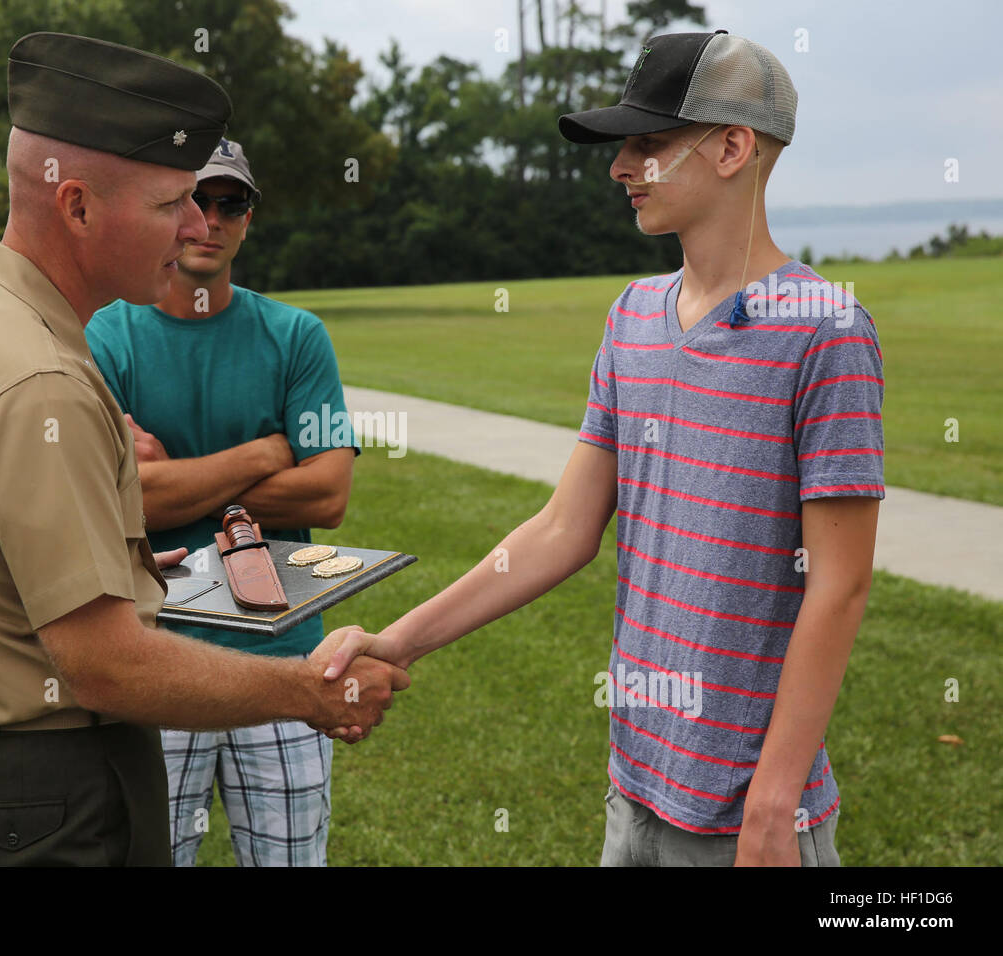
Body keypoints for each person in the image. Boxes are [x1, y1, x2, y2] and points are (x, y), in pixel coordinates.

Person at [0, 32, 406, 867]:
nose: (193, 228)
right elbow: (105, 667)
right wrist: (308, 692)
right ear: (76, 206)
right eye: (170, 203)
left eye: (216, 204)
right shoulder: (45, 380)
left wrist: (78, 566)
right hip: (71, 779)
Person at [322, 30, 883, 867]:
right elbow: (561, 531)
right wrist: (396, 642)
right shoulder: (632, 318)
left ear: (733, 147)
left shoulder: (825, 331)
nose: (622, 167)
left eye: (649, 144)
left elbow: (838, 585)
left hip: (750, 820)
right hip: (636, 788)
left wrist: (772, 808)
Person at [85, 138, 357, 866]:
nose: (208, 219)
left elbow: (330, 493)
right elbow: (114, 504)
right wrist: (266, 453)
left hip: (284, 657)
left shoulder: (297, 335)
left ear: (248, 219)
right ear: (163, 211)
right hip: (157, 659)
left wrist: (178, 478)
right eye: (190, 200)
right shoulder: (108, 334)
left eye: (228, 202)